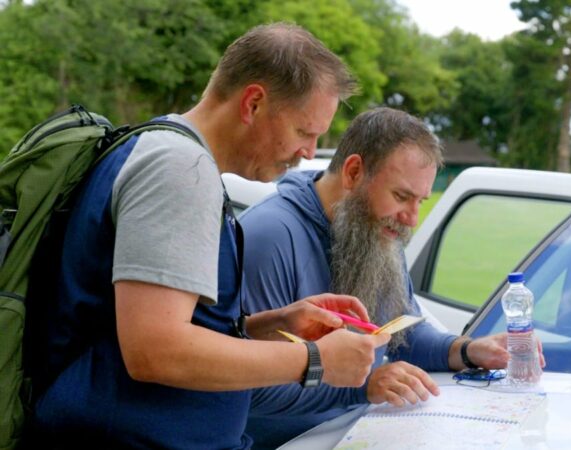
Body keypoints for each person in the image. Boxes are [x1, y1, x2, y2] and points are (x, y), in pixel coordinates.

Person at [31, 23, 390, 448]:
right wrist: (312, 361)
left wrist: (273, 324)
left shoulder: (166, 152)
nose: (309, 153)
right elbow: (154, 350)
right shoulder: (180, 169)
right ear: (253, 102)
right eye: (303, 132)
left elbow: (150, 325)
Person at [240, 107, 518, 448]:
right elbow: (243, 386)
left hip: (356, 431)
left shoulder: (376, 228)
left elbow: (401, 334)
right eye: (401, 196)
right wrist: (364, 385)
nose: (412, 219)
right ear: (354, 172)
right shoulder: (268, 237)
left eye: (420, 201)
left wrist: (469, 349)